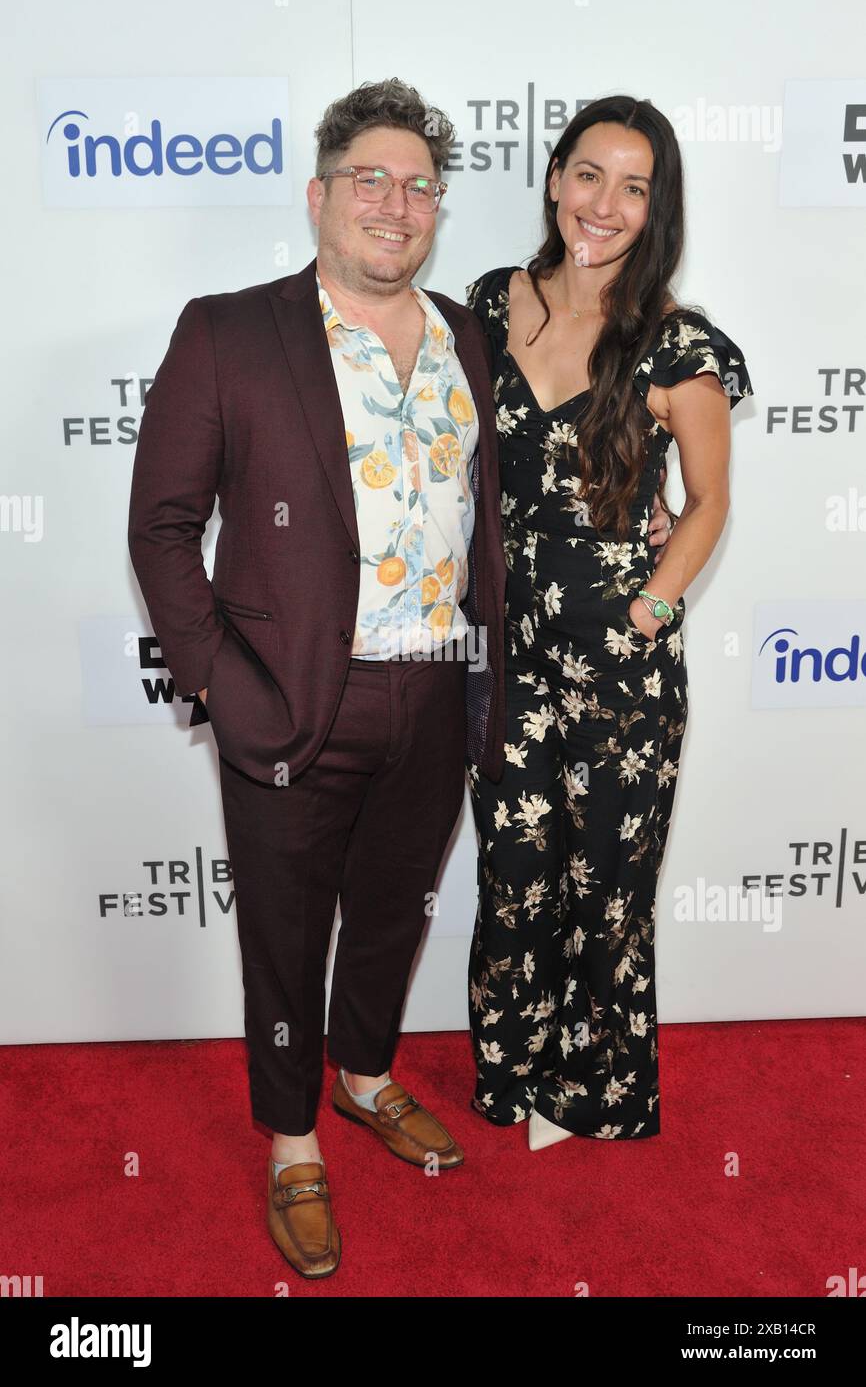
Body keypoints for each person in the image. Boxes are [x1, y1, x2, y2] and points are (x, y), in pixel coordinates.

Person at [128, 79, 671, 1279]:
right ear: (319, 196)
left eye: (419, 185)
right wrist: (224, 683)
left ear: (437, 210)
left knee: (392, 913)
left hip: (438, 694)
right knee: (283, 933)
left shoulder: (465, 336)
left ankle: (365, 1075)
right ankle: (289, 1142)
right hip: (290, 698)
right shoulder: (228, 330)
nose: (396, 202)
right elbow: (161, 526)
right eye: (369, 179)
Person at [464, 95, 753, 1151]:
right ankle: (509, 1071)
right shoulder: (488, 305)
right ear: (552, 179)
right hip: (503, 651)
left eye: (634, 186)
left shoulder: (677, 345)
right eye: (589, 174)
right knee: (514, 875)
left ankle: (600, 1089)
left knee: (608, 884)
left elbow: (708, 500)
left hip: (621, 666)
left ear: (654, 208)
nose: (605, 204)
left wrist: (645, 606)